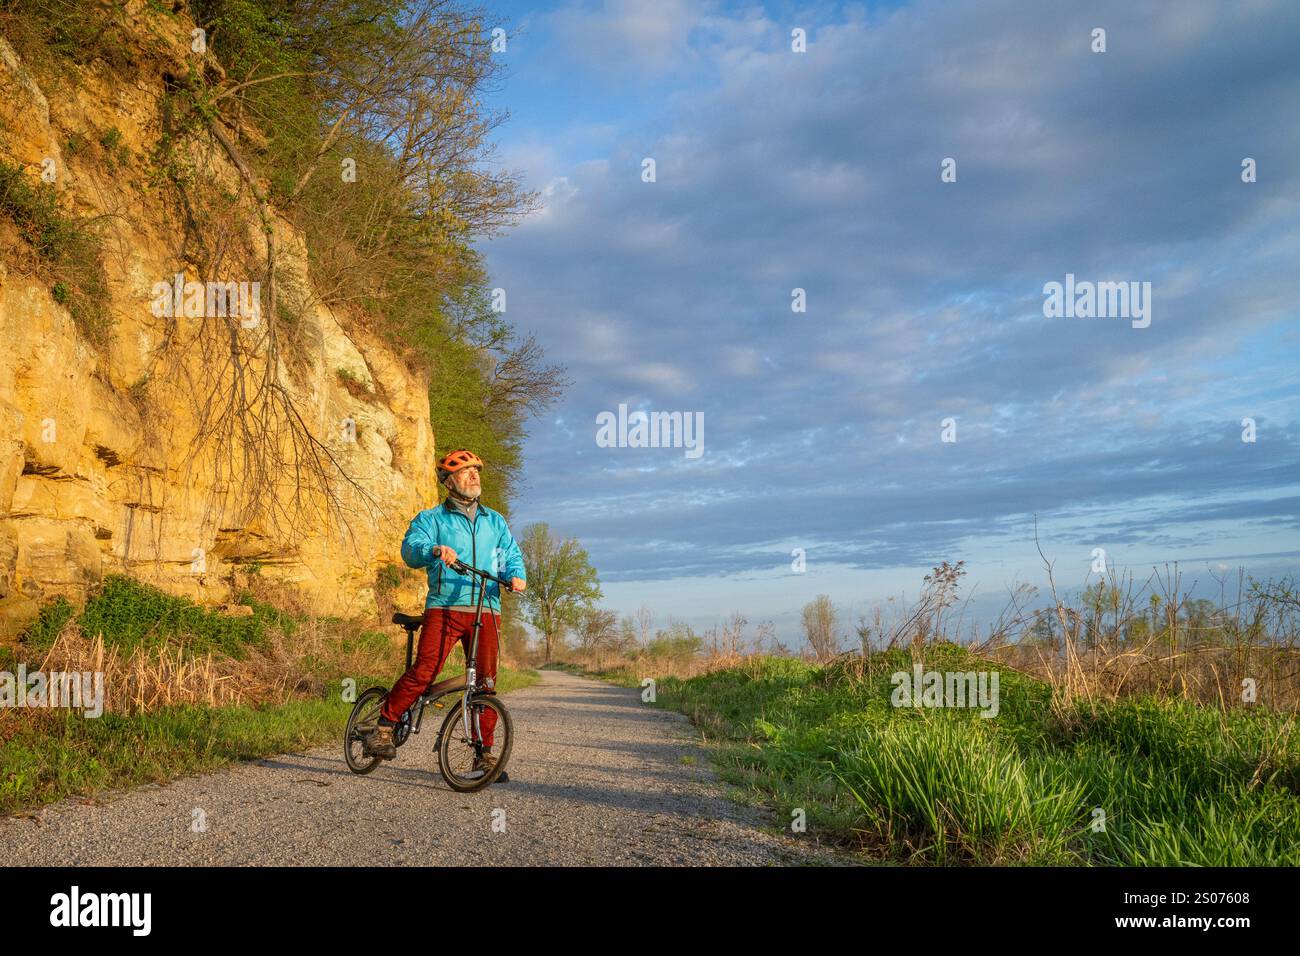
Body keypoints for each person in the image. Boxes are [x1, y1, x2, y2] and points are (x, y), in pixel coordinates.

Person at [362, 449, 527, 781]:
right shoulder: (432, 519)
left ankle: (483, 756)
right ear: (450, 481)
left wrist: (516, 574)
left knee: (485, 684)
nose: (474, 476)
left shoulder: (494, 520)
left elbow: (511, 554)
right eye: (466, 472)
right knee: (425, 671)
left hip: (487, 608)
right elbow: (411, 549)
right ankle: (383, 725)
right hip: (445, 606)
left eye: (476, 471)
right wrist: (434, 550)